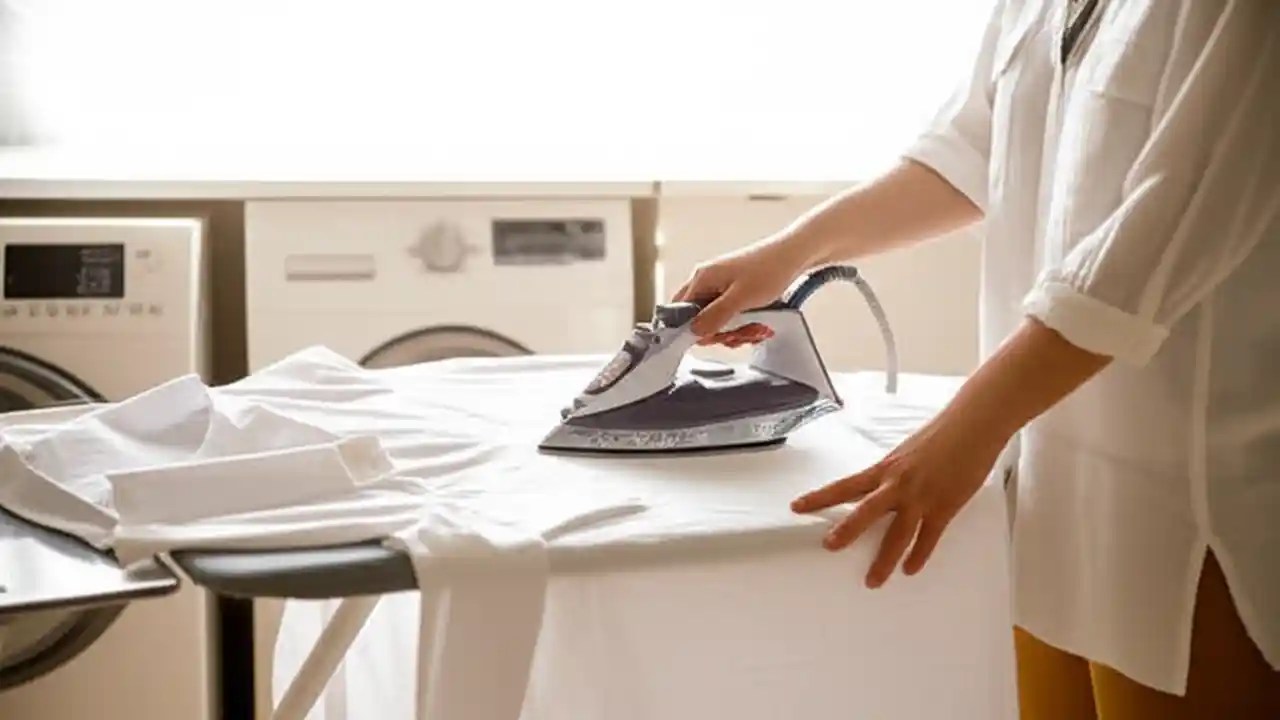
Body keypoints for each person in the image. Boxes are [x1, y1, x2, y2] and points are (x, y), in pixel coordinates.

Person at [673, 0, 1279, 718]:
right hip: (1045, 481)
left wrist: (966, 428)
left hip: (1186, 502)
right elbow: (967, 153)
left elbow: (1156, 239)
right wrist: (786, 253)